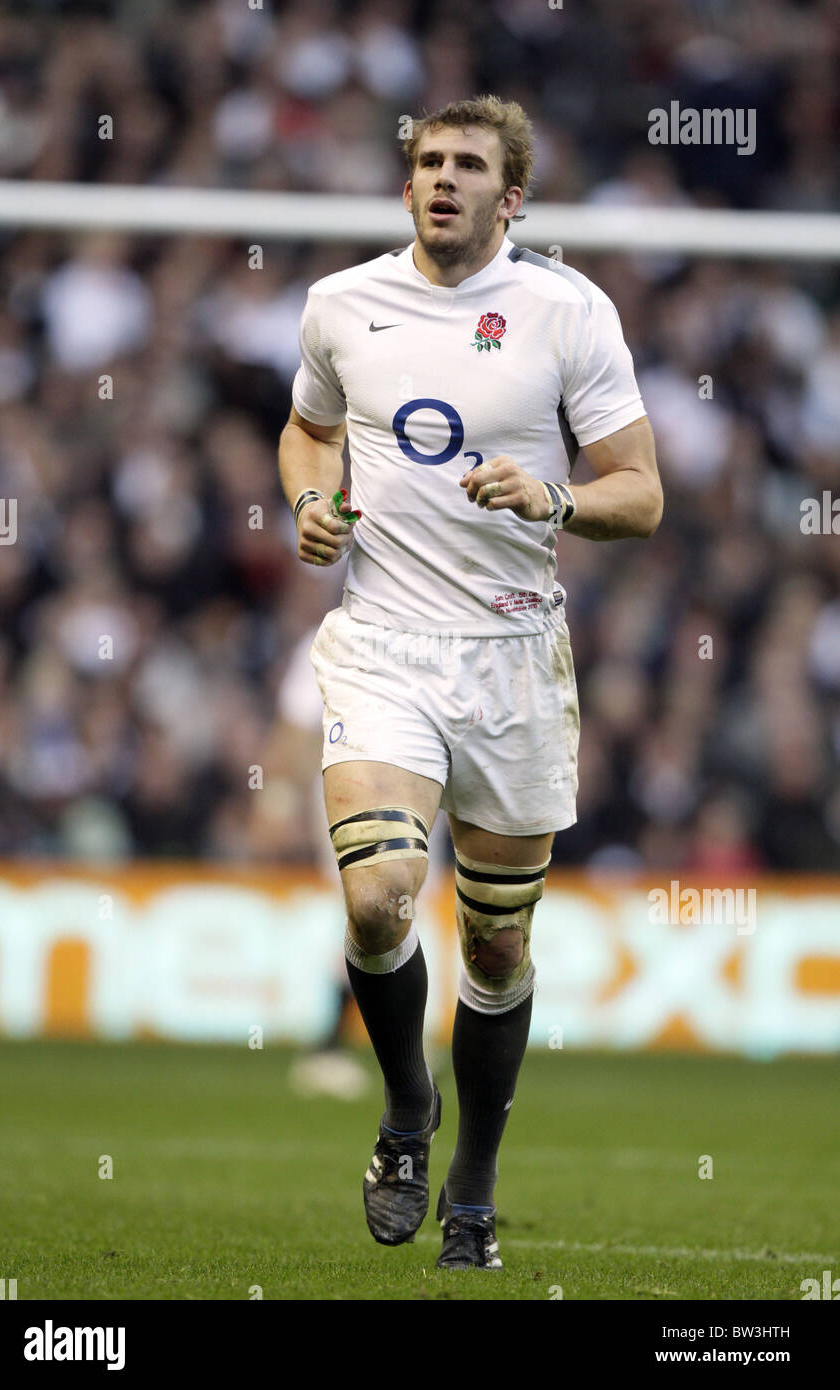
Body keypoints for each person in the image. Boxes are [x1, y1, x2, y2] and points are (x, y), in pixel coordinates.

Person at [278, 94, 662, 1270]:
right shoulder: (340, 305)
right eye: (427, 161)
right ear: (406, 187)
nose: (441, 178)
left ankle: (475, 1186)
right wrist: (308, 499)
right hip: (384, 642)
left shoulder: (567, 312)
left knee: (496, 949)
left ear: (512, 196)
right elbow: (305, 430)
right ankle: (405, 1110)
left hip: (510, 662)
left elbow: (638, 493)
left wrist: (552, 496)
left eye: (467, 166)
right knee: (380, 895)